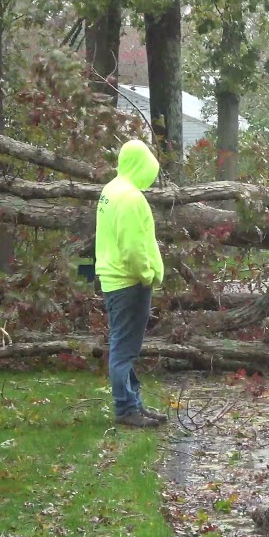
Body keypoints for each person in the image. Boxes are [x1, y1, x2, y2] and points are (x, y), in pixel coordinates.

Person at [95, 139, 166, 428]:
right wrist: (147, 275)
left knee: (124, 345)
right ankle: (125, 408)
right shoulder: (130, 197)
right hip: (129, 281)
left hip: (114, 280)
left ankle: (133, 402)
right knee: (124, 348)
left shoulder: (110, 190)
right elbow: (133, 246)